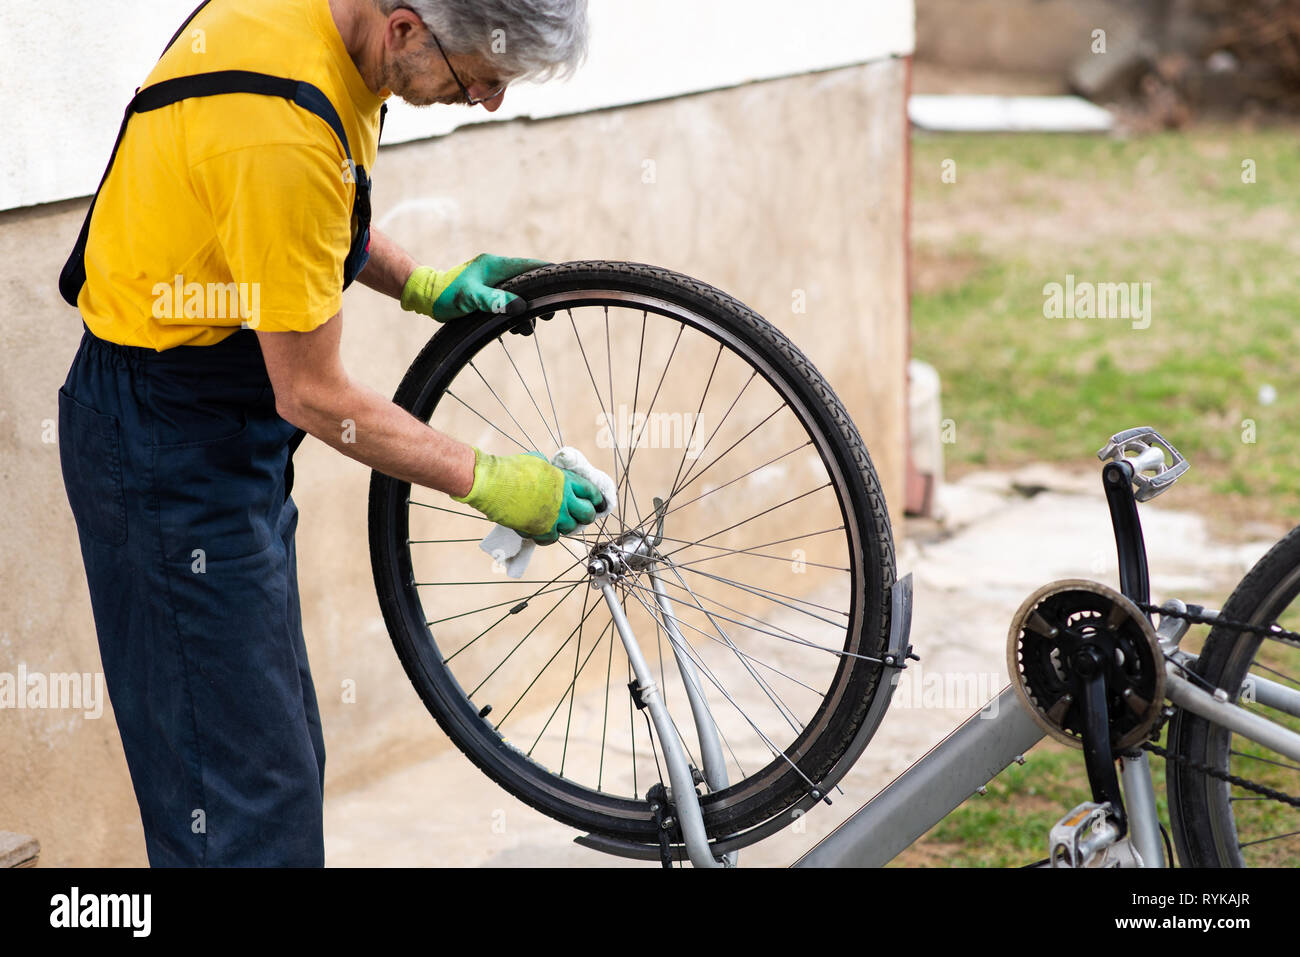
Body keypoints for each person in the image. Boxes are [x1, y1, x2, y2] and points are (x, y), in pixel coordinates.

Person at [55, 0, 595, 867]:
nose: (489, 101)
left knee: (274, 758)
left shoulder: (327, 33)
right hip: (161, 441)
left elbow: (299, 223)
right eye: (482, 79)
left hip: (211, 423)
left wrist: (423, 283)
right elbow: (313, 393)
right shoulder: (279, 124)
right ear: (409, 28)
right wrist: (492, 479)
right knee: (242, 801)